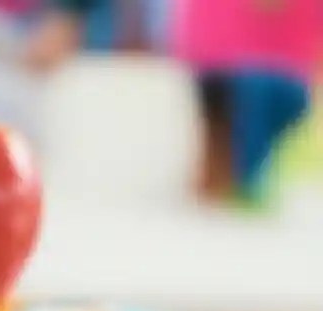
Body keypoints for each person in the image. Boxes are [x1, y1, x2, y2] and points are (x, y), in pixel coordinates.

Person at [26, 0, 322, 207]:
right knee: (243, 90)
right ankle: (229, 179)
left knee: (262, 91)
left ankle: (236, 178)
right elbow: (198, 42)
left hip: (268, 77)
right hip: (213, 70)